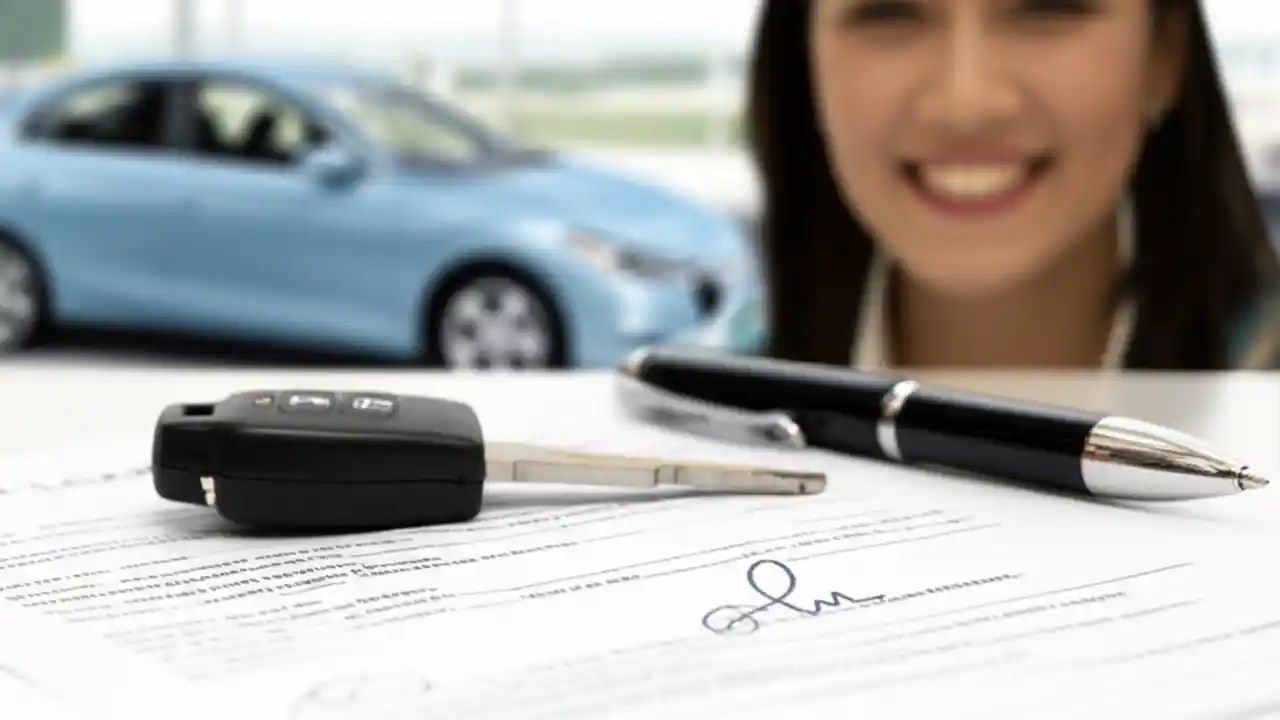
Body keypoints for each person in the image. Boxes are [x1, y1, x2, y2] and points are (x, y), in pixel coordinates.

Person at [748, 0, 1280, 370]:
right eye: (887, 10)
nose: (967, 104)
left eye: (1047, 7)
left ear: (1165, 52)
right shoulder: (691, 411)